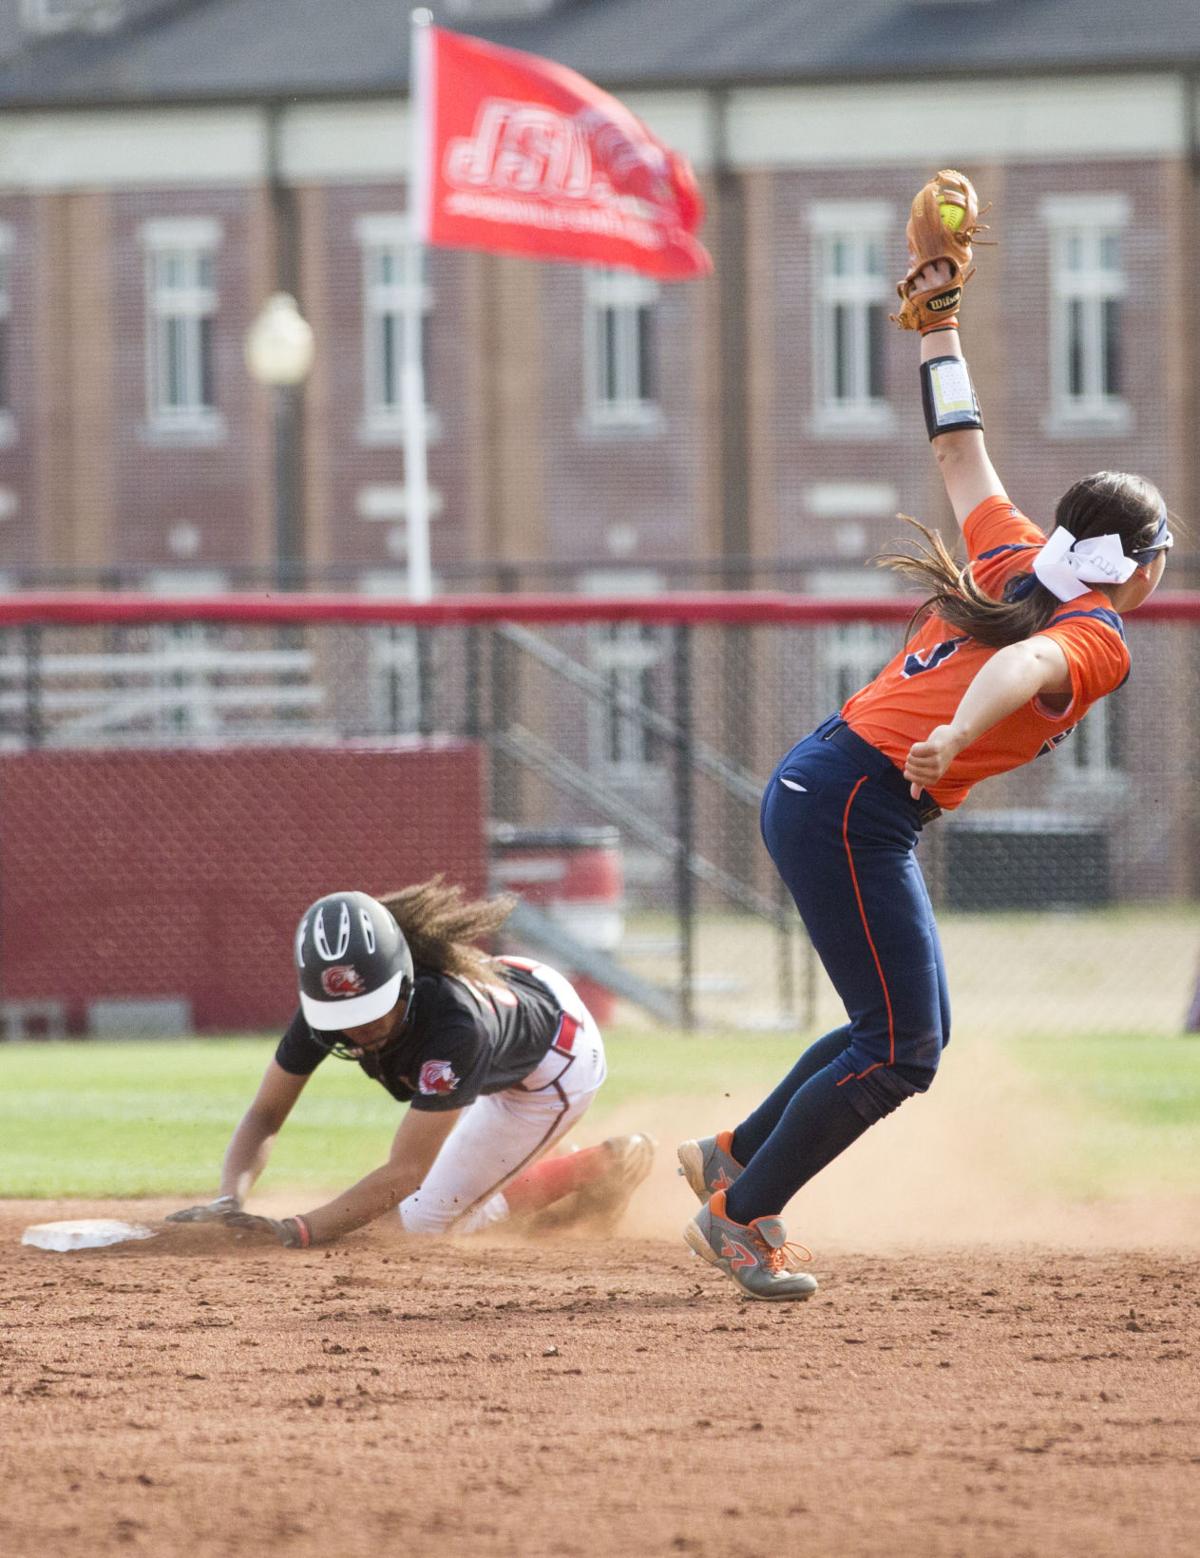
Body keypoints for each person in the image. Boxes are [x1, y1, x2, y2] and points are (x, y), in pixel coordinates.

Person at [677, 170, 1175, 1300]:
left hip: (833, 788)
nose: (1161, 573)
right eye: (1160, 556)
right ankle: (742, 1217)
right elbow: (1027, 662)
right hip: (856, 803)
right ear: (1130, 565)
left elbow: (961, 444)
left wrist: (940, 319)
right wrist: (956, 734)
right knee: (904, 1050)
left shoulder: (1016, 557)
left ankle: (731, 1155)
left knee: (897, 1026)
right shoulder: (1094, 629)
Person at [168, 879, 653, 1247]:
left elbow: (406, 1171)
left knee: (422, 1220)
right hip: (515, 1007)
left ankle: (593, 1171)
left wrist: (294, 1231)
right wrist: (228, 1202)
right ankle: (536, 1157)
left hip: (555, 1064)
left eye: (370, 1010)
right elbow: (265, 1114)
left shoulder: (456, 1029)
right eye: (341, 1016)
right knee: (439, 1180)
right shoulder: (330, 1012)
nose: (357, 1029)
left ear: (404, 981)